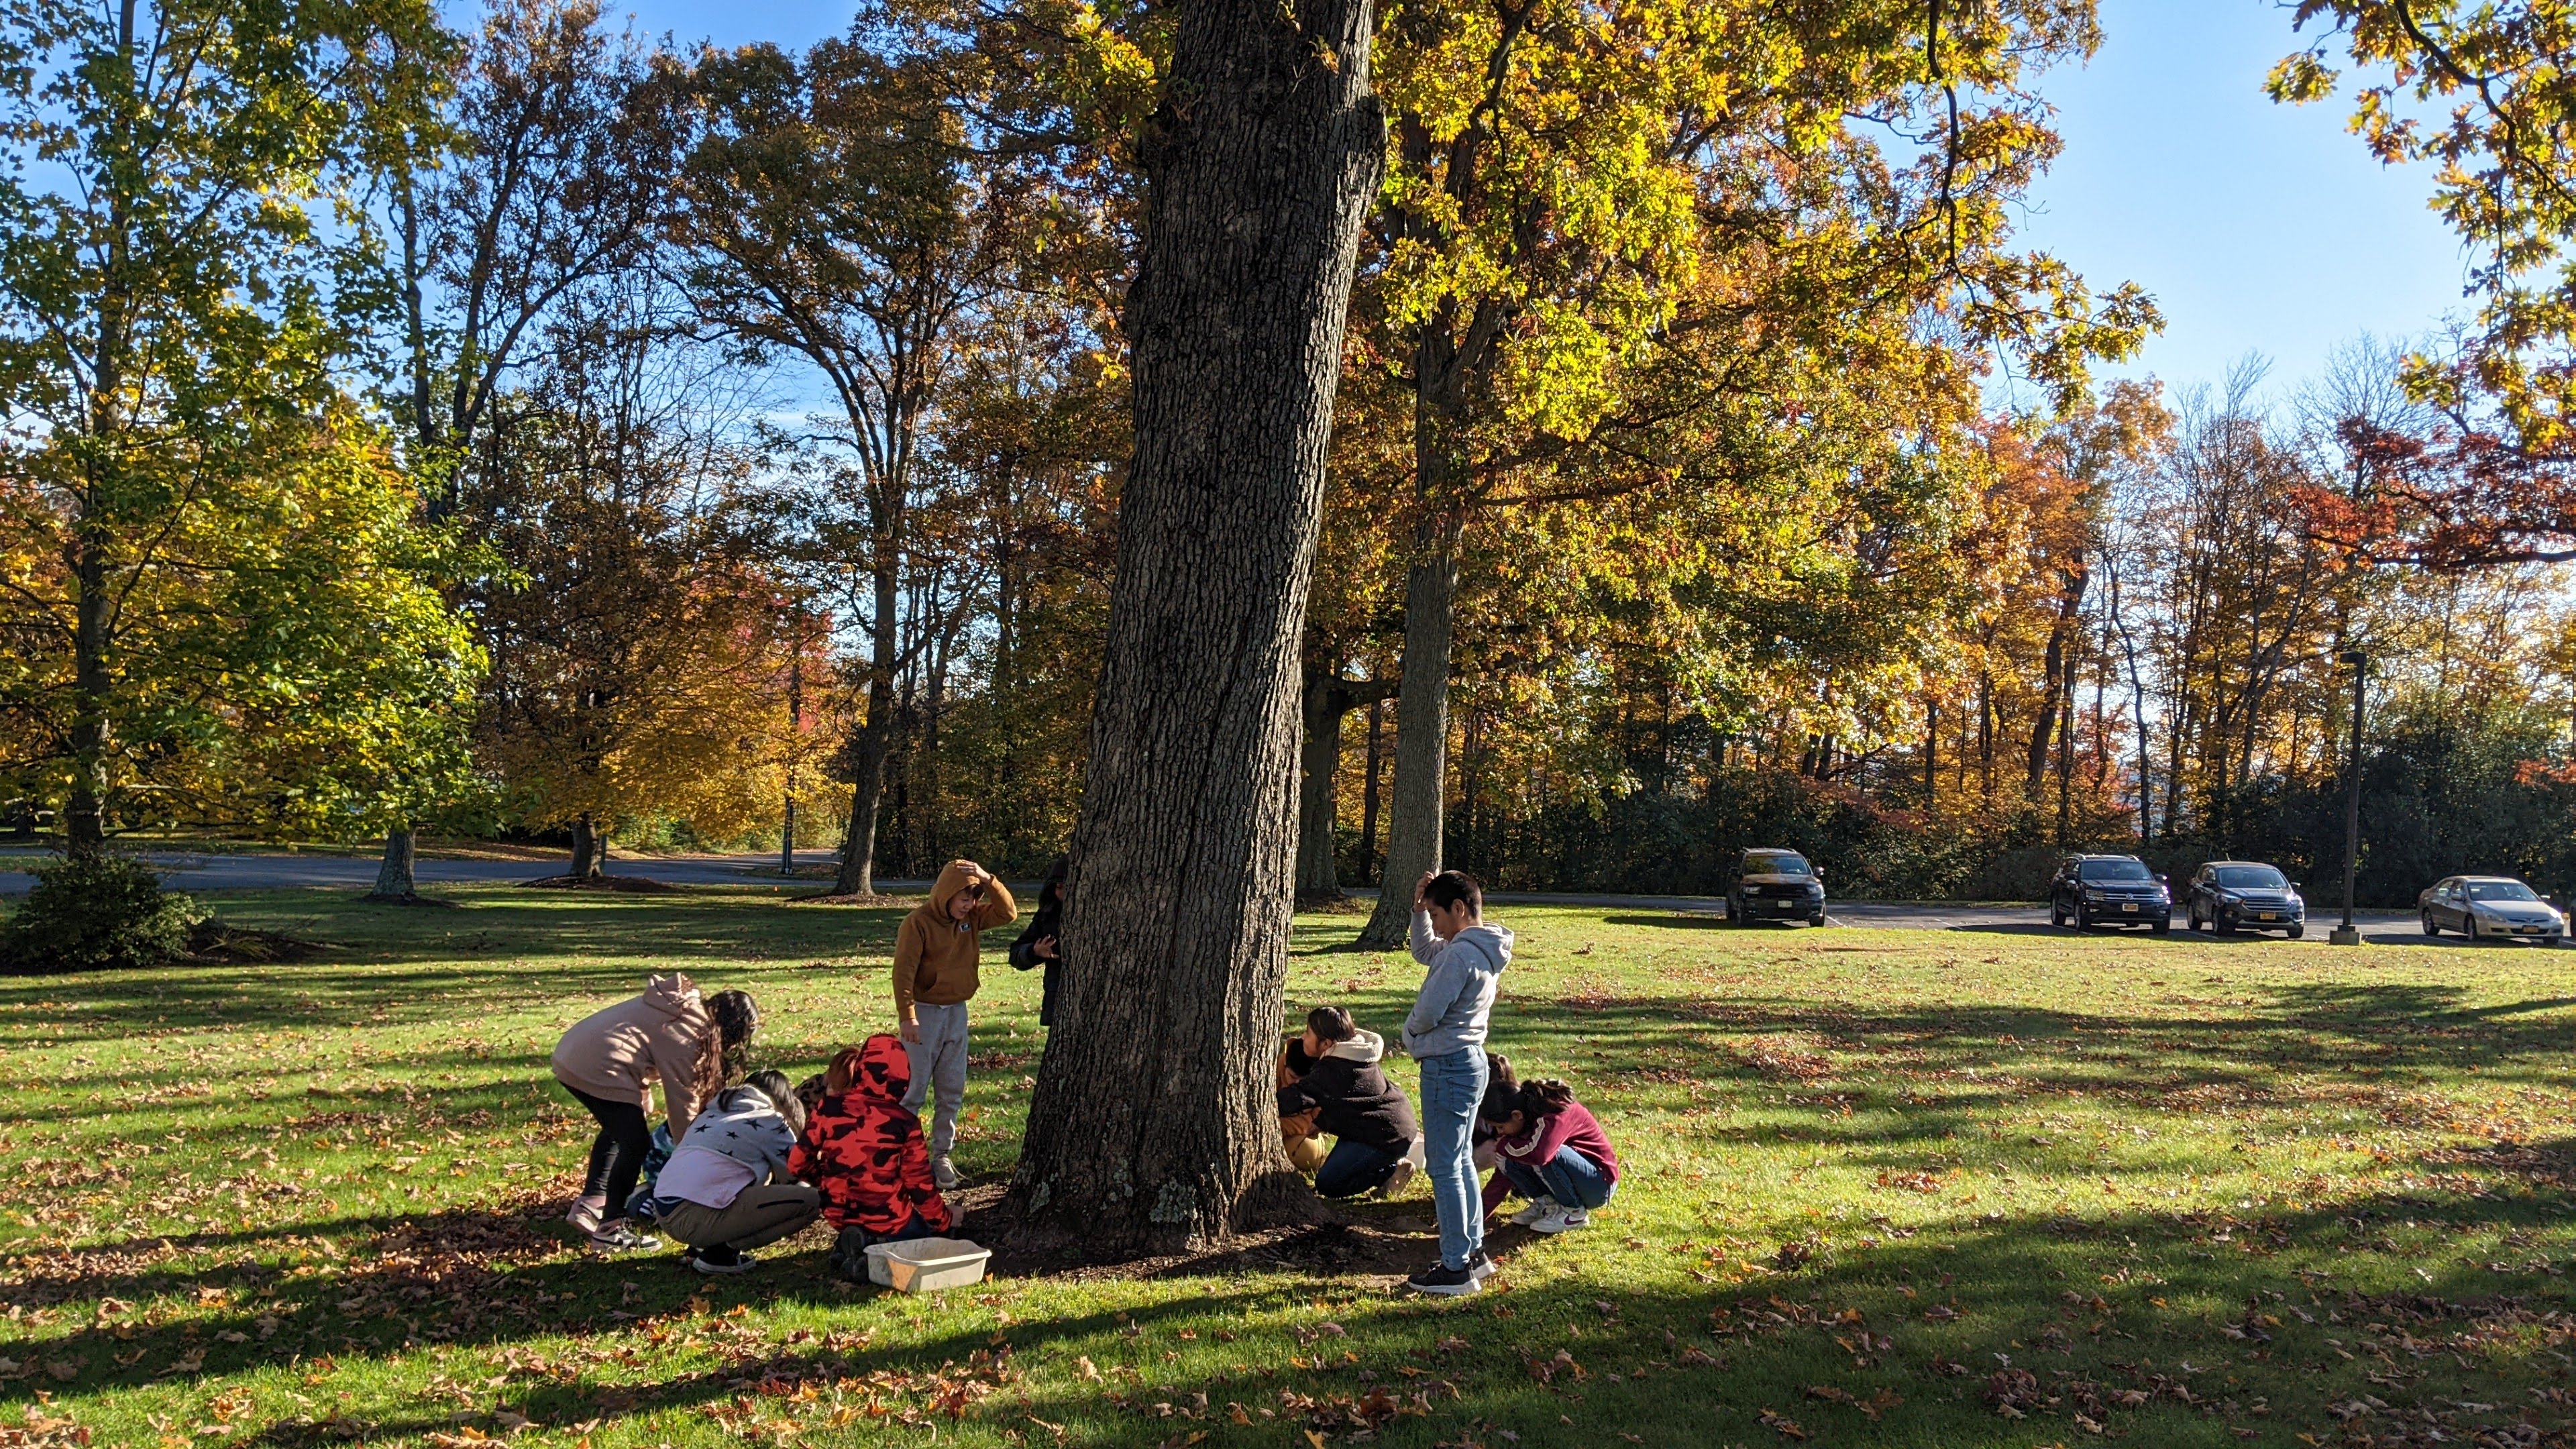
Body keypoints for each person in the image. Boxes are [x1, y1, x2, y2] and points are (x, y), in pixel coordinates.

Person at [551, 975, 761, 1251]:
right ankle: (609, 1230)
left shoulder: (683, 1008)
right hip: (597, 1066)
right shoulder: (687, 1032)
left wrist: (640, 1095)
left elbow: (636, 1041)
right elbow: (683, 1101)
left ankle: (592, 1203)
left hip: (573, 1053)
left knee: (620, 1129)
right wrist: (696, 1148)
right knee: (635, 1144)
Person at [1399, 869, 1512, 1296]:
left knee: (1445, 1167)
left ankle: (1454, 1269)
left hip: (1447, 1066)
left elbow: (1428, 1011)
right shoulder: (1480, 948)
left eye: (1437, 914)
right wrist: (1417, 913)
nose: (1436, 925)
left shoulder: (1459, 956)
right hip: (1470, 1063)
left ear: (1459, 909)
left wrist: (1411, 1035)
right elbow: (1425, 949)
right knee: (1461, 1160)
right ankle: (1473, 1254)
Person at [892, 859, 1017, 1189]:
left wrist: (989, 879)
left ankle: (941, 1156)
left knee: (951, 1090)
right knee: (913, 1091)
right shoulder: (917, 923)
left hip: (957, 1013)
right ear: (946, 893)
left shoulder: (972, 919)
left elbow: (1008, 914)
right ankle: (902, 1157)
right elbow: (903, 971)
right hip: (924, 1014)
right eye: (964, 898)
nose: (970, 905)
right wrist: (908, 1016)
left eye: (975, 898)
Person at [790, 1036, 955, 1283]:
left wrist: (826, 1181)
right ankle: (875, 1247)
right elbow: (919, 1186)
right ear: (904, 1077)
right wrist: (945, 1221)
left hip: (837, 1211)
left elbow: (797, 1163)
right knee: (924, 1235)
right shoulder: (905, 1123)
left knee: (862, 1217)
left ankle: (849, 1242)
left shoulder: (828, 1108)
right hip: (887, 1215)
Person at [652, 1069, 822, 1275]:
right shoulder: (769, 1119)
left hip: (663, 1210)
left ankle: (705, 1246)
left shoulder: (710, 1114)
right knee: (812, 1201)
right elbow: (798, 1175)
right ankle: (722, 1253)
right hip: (697, 1215)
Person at [1277, 1006, 1421, 1199]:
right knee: (1336, 1171)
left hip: (1386, 1136)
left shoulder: (1336, 1068)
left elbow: (1297, 1098)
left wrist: (1256, 1106)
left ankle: (1390, 1172)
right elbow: (1346, 1101)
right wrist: (1321, 1122)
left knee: (1328, 1183)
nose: (1303, 1037)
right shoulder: (1353, 1054)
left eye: (1308, 1033)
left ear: (1326, 1044)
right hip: (1376, 1126)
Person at [1479, 1078, 1619, 1234]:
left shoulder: (1556, 1112)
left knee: (1548, 1153)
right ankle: (1547, 1206)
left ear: (1517, 1115)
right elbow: (1503, 1175)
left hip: (1599, 1186)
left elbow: (1542, 1155)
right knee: (1510, 1158)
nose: (1499, 1133)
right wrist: (1478, 1216)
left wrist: (1504, 1147)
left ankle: (1574, 1214)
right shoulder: (1526, 1118)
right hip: (1579, 1179)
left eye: (1500, 1127)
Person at [1006, 857, 1067, 1028]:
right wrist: (1034, 952)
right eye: (1059, 887)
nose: (1062, 893)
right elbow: (1015, 954)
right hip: (1058, 1000)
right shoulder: (1048, 914)